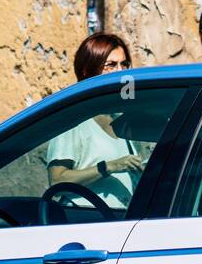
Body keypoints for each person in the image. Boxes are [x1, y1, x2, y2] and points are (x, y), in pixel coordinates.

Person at [45, 32, 143, 210]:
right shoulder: (74, 120)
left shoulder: (119, 122)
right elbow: (57, 181)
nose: (121, 72)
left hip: (119, 222)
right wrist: (109, 167)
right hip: (85, 220)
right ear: (87, 71)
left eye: (124, 64)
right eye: (111, 65)